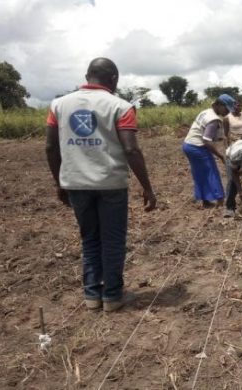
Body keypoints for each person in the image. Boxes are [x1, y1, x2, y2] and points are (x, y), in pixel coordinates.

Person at [46, 57, 157, 312]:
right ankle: (112, 297)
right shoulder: (121, 106)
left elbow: (51, 147)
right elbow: (131, 149)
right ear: (114, 79)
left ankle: (92, 296)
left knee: (90, 240)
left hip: (75, 183)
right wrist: (147, 188)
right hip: (110, 185)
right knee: (113, 240)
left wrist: (59, 183)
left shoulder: (58, 105)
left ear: (87, 76)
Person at [182, 94, 235, 208]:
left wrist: (223, 138)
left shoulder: (206, 112)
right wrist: (221, 156)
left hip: (188, 145)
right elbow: (206, 141)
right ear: (220, 105)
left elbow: (208, 133)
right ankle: (220, 200)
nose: (227, 112)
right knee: (211, 171)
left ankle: (205, 200)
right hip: (197, 147)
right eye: (226, 109)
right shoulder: (213, 120)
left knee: (199, 173)